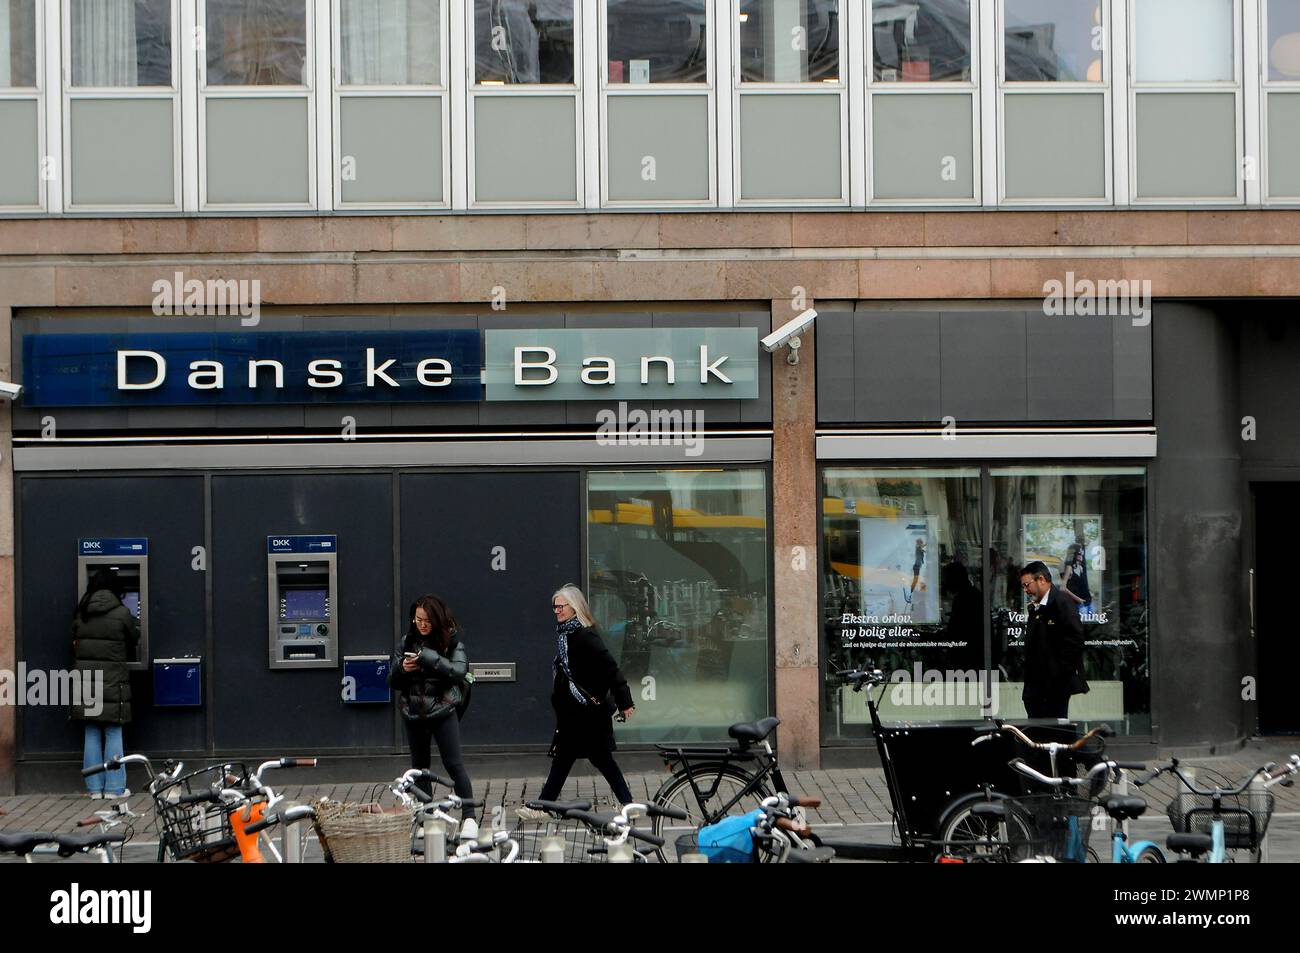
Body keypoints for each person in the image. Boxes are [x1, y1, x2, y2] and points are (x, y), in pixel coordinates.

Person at [518, 585, 635, 819]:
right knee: (590, 758)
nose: (557, 610)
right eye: (555, 606)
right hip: (576, 712)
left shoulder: (584, 635)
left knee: (574, 758)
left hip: (586, 713)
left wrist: (625, 701)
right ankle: (628, 805)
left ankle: (545, 806)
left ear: (574, 607)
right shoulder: (567, 635)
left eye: (561, 606)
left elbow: (610, 667)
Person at [388, 595, 478, 840]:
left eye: (427, 620)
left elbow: (459, 671)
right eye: (418, 619)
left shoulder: (451, 642)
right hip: (413, 712)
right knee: (419, 768)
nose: (422, 625)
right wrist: (401, 669)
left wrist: (428, 657)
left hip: (442, 709)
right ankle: (426, 816)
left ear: (437, 620)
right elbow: (392, 680)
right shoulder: (406, 640)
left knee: (453, 764)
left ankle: (469, 816)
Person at [71, 568, 139, 799]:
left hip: (86, 681)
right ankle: (114, 788)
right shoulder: (122, 612)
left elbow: (74, 642)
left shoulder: (82, 612)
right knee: (113, 730)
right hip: (113, 680)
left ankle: (94, 790)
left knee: (91, 731)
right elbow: (134, 638)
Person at [1019, 561, 1089, 719]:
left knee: (1054, 735)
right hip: (1035, 689)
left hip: (1054, 689)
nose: (1025, 590)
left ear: (1041, 580)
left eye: (1027, 585)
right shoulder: (1037, 607)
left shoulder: (1061, 603)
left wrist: (1058, 673)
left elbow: (1075, 640)